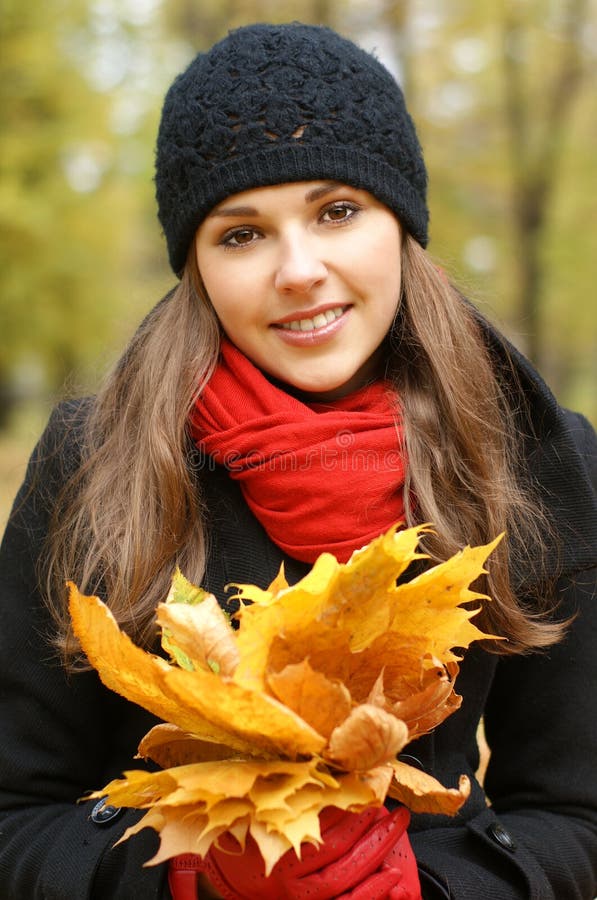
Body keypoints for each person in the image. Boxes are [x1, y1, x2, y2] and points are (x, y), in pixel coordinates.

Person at [0, 21, 595, 900]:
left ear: (401, 225)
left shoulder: (531, 455)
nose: (299, 269)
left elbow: (577, 815)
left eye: (337, 211)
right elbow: (17, 810)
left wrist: (428, 887)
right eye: (241, 234)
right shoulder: (96, 462)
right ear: (195, 266)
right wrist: (174, 874)